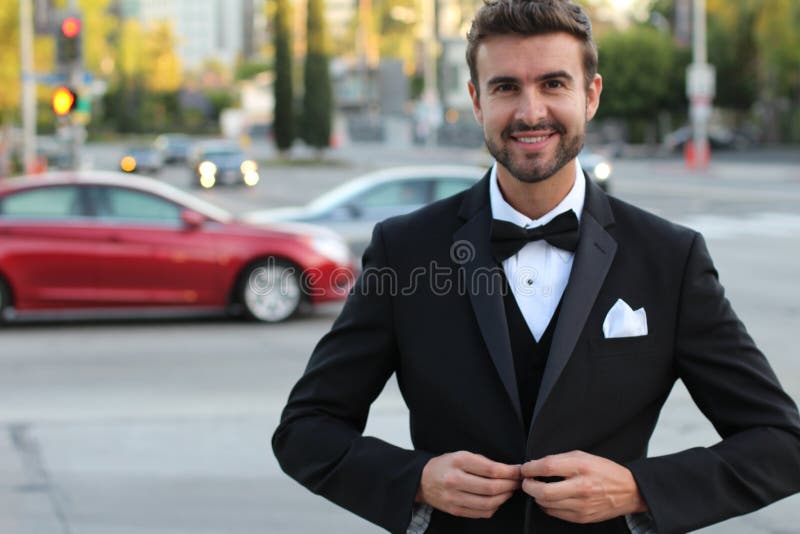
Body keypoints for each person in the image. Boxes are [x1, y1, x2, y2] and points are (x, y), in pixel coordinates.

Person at [272, 1, 800, 532]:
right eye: (505, 88)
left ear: (590, 95)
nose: (530, 112)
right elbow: (305, 430)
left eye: (553, 84)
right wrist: (417, 479)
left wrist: (638, 490)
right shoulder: (404, 250)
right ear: (477, 101)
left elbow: (781, 443)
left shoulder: (670, 258)